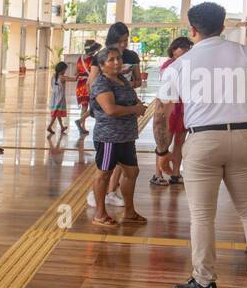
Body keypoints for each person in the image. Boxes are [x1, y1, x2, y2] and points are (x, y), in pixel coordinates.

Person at [159, 1, 247, 288]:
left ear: (192, 29)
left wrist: (163, 150)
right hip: (242, 136)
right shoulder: (245, 52)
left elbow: (162, 112)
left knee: (202, 216)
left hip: (201, 140)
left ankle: (204, 283)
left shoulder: (179, 65)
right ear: (223, 25)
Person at [87, 47, 147, 228]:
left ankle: (129, 212)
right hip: (109, 137)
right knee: (104, 174)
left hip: (126, 136)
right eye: (111, 60)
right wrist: (134, 109)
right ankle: (100, 213)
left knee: (132, 172)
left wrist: (137, 105)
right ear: (102, 65)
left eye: (119, 59)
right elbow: (110, 110)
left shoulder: (122, 80)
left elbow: (132, 99)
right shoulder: (101, 83)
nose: (117, 62)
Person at [152, 36, 193, 186]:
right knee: (164, 141)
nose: (186, 51)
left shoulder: (190, 65)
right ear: (174, 50)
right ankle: (158, 174)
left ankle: (176, 173)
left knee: (180, 141)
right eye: (183, 47)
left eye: (189, 48)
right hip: (170, 107)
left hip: (184, 107)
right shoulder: (169, 65)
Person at [74, 40, 100, 134]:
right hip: (90, 84)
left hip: (80, 85)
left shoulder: (79, 59)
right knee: (95, 105)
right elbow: (96, 73)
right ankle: (82, 122)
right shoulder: (93, 60)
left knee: (84, 107)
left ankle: (82, 127)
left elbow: (76, 73)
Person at [48, 61, 69, 136]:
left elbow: (51, 86)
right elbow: (73, 79)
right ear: (62, 70)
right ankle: (49, 126)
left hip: (54, 96)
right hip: (60, 97)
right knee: (56, 112)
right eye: (65, 70)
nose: (65, 71)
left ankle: (62, 127)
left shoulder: (53, 76)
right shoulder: (62, 77)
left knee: (57, 112)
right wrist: (79, 75)